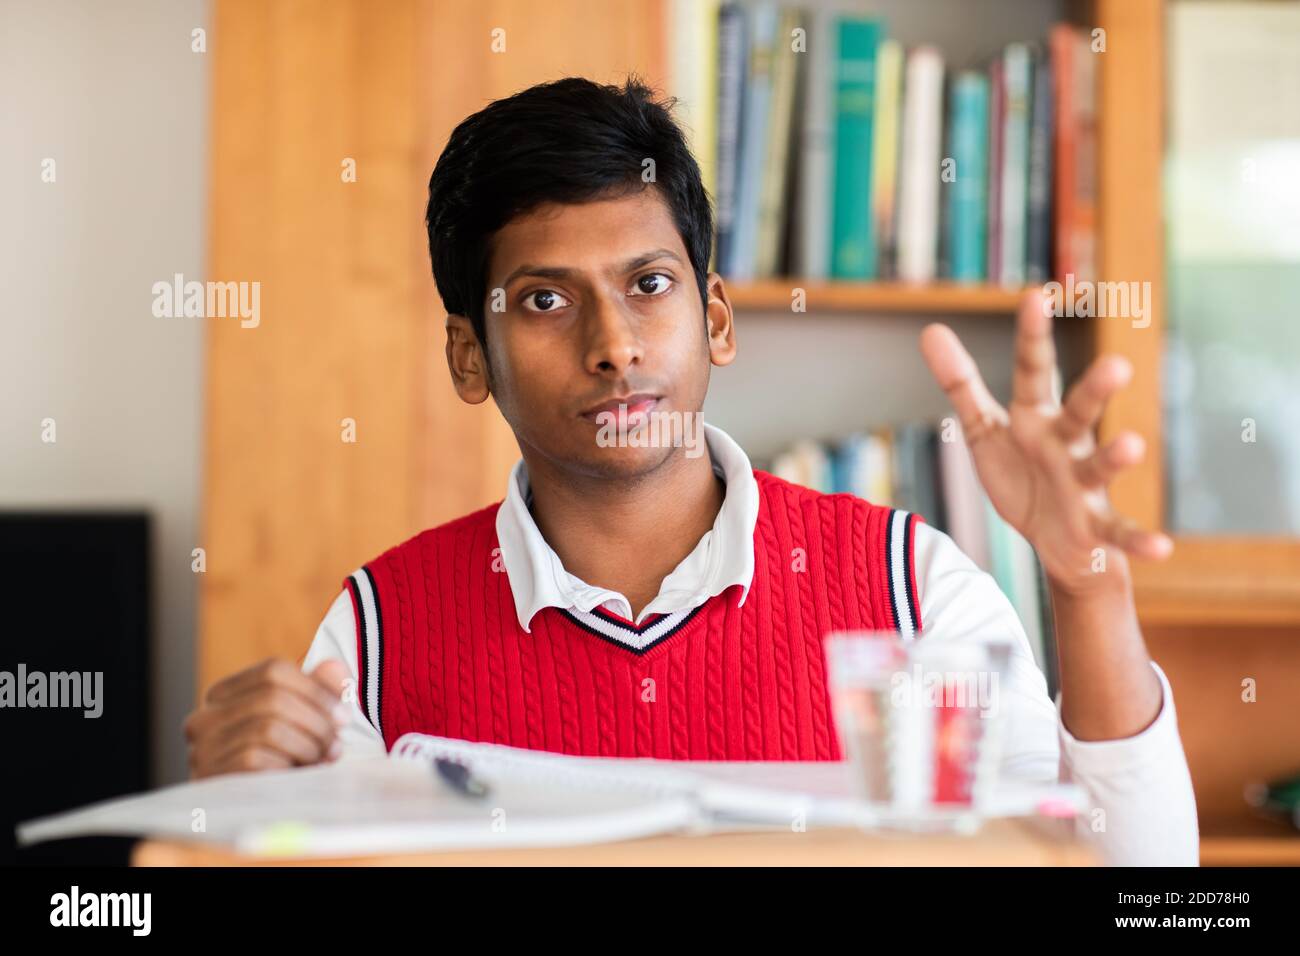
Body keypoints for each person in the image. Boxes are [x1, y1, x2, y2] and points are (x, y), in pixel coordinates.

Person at [183, 76, 1198, 865]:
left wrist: (1088, 585)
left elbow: (1136, 892)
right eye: (544, 300)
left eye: (649, 284)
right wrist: (247, 814)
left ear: (713, 317)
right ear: (466, 356)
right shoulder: (373, 631)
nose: (614, 343)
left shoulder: (908, 586)